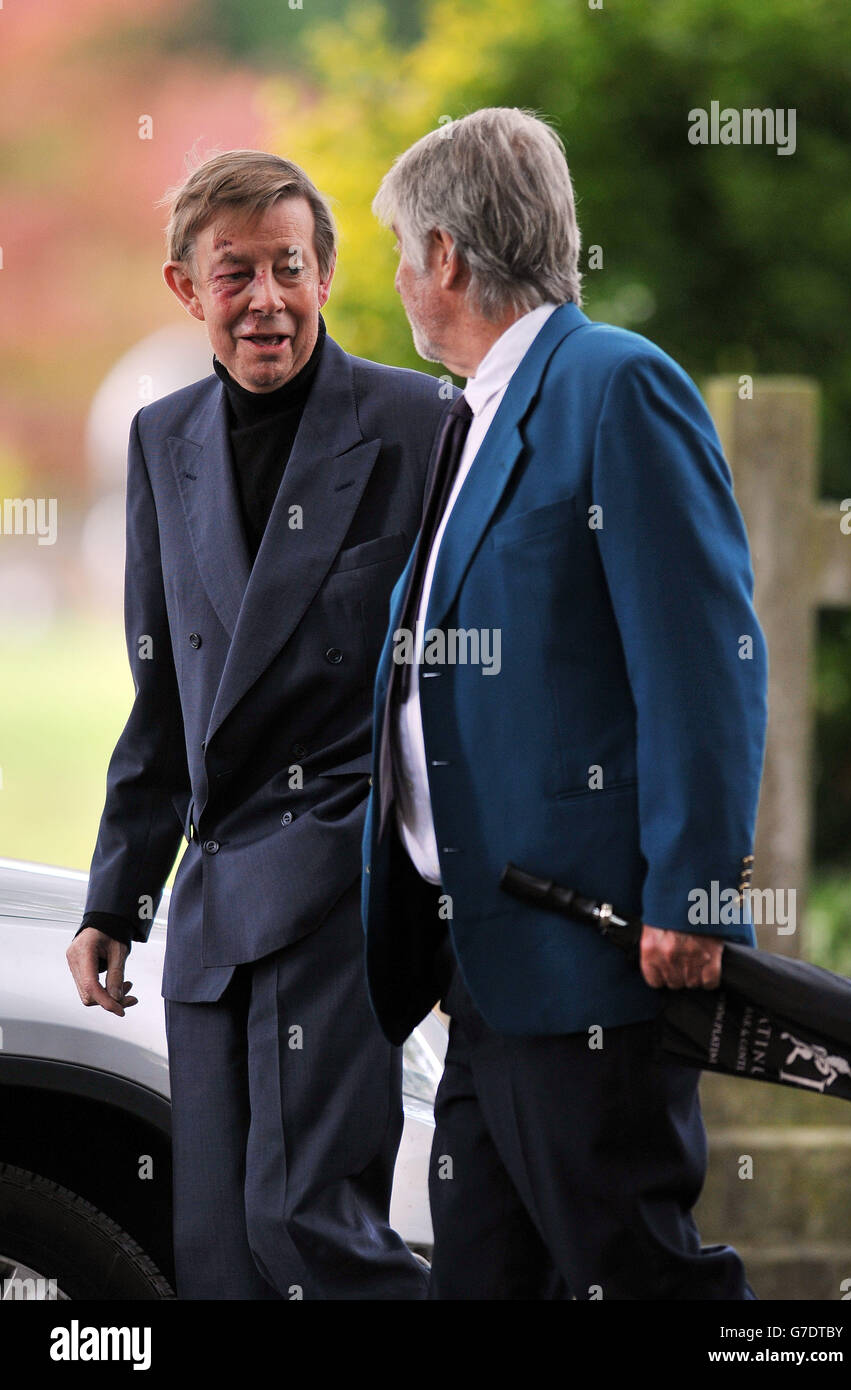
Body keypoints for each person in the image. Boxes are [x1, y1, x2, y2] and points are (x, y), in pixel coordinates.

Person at [361, 108, 769, 1299]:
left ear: (445, 254)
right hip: (483, 967)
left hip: (588, 956)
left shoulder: (614, 385)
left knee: (634, 1278)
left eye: (399, 248)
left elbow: (701, 659)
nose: (392, 277)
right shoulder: (472, 414)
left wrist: (692, 889)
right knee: (485, 1279)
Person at [66, 149, 448, 1300]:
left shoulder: (419, 420)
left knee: (309, 1229)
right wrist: (114, 898)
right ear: (186, 288)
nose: (266, 300)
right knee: (221, 1264)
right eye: (235, 274)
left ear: (326, 272)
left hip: (344, 884)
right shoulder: (159, 439)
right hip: (212, 910)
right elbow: (163, 695)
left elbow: (459, 680)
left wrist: (448, 900)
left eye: (289, 267)